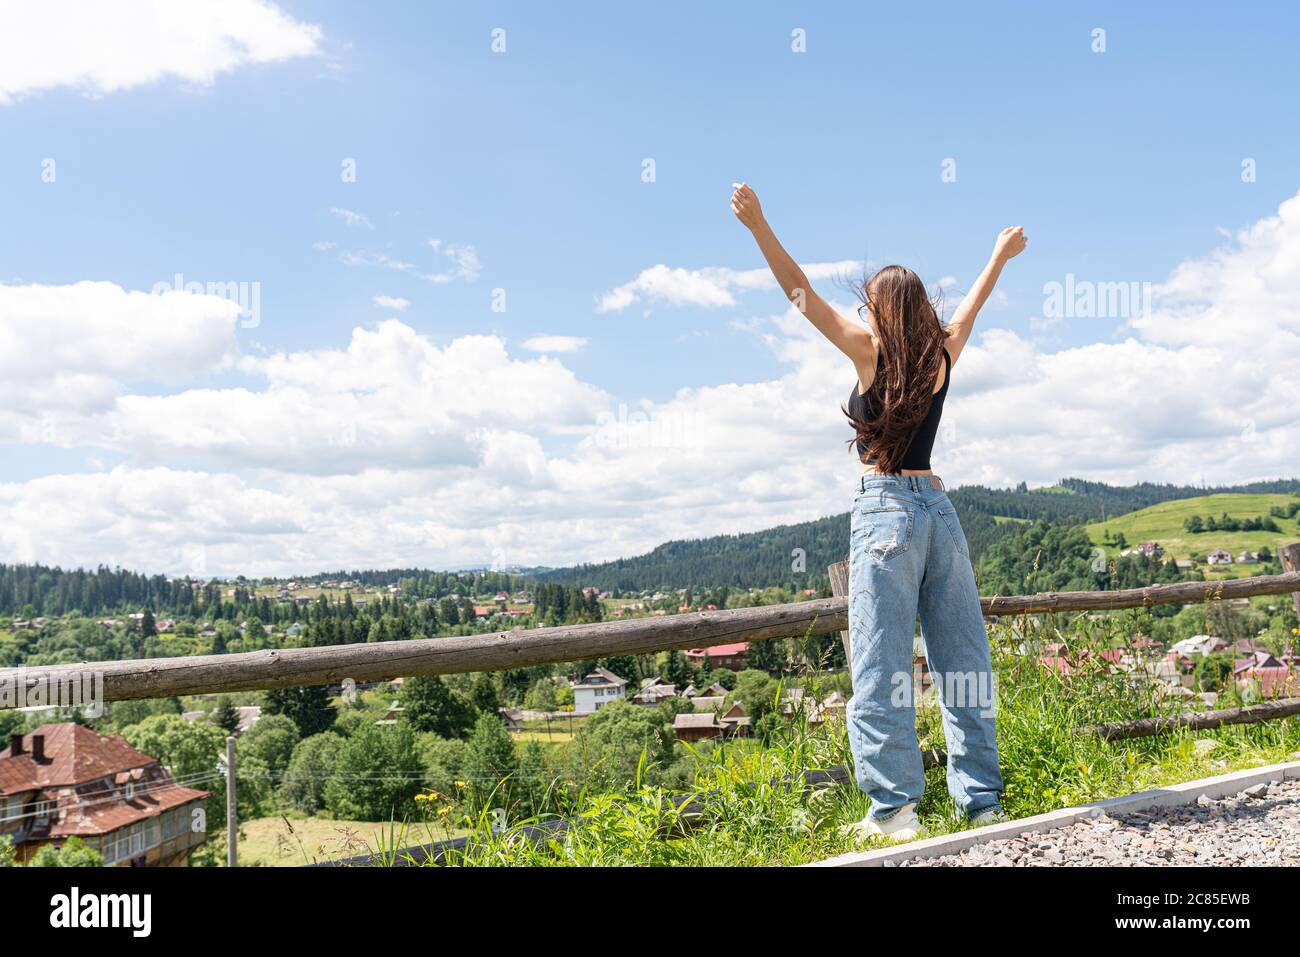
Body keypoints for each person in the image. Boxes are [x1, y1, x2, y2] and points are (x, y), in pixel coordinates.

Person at [730, 182, 1027, 840]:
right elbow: (972, 307)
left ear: (882, 312)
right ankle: (983, 801)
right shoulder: (941, 356)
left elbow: (799, 293)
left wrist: (759, 227)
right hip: (942, 516)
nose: (861, 314)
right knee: (964, 664)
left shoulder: (872, 354)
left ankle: (895, 810)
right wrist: (999, 256)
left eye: (868, 305)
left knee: (881, 666)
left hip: (887, 512)